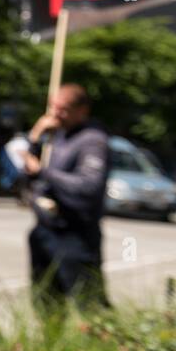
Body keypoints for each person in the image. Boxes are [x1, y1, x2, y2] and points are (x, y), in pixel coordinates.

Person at [21, 83, 110, 308]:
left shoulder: (92, 140)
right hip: (45, 231)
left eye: (64, 109)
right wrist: (35, 137)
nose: (56, 114)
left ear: (83, 110)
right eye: (53, 107)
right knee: (46, 303)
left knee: (89, 304)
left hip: (75, 235)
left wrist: (44, 171)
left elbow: (89, 185)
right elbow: (29, 175)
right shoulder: (55, 136)